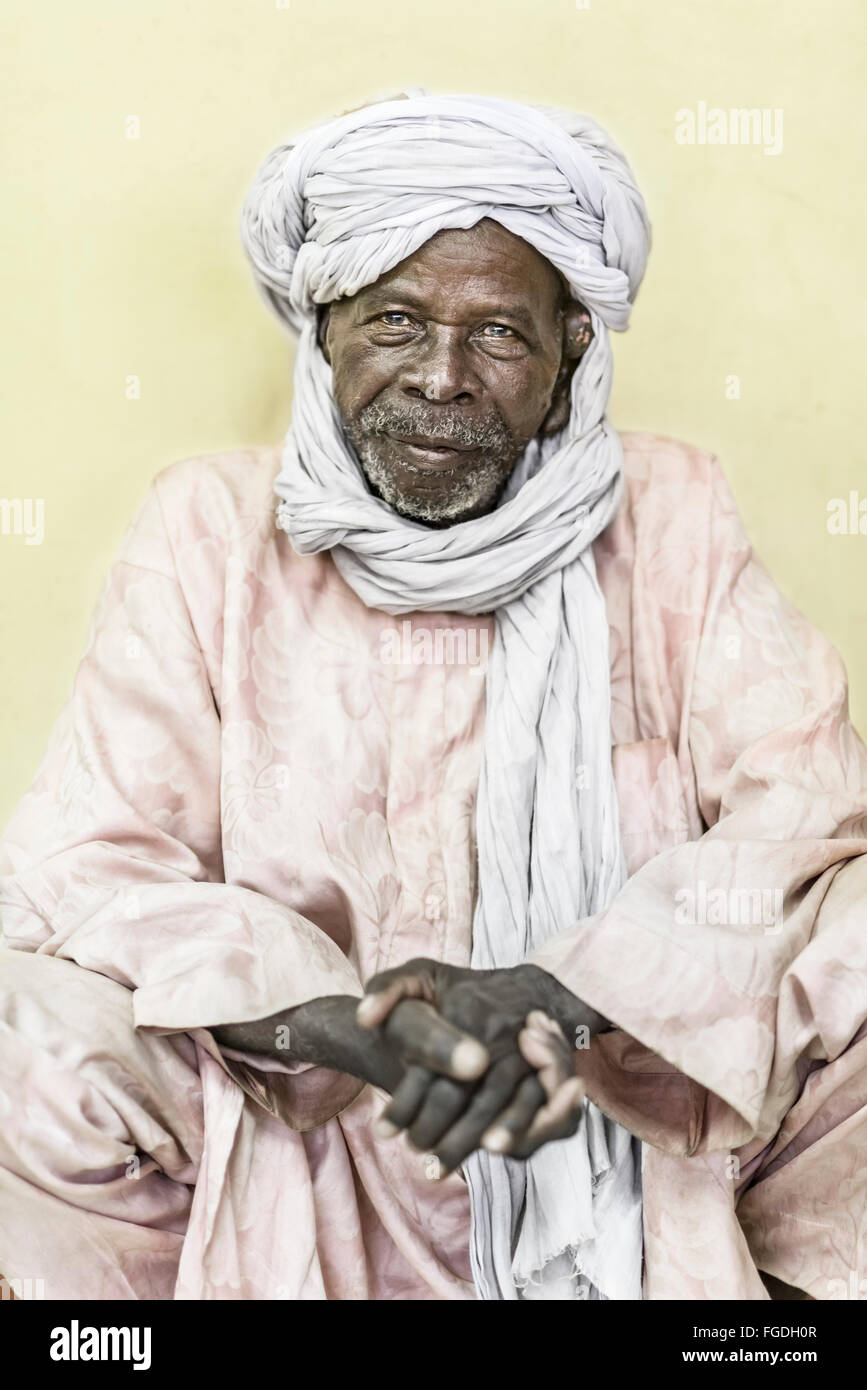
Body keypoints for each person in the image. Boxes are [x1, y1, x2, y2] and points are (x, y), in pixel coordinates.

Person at [1, 91, 865, 1302]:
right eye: (397, 321)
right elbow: (88, 865)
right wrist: (337, 1023)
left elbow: (809, 813)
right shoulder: (206, 530)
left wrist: (566, 996)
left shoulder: (672, 518)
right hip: (305, 1123)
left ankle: (758, 1319)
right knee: (22, 1030)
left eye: (499, 334)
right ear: (326, 334)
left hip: (617, 1111)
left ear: (569, 359)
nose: (444, 379)